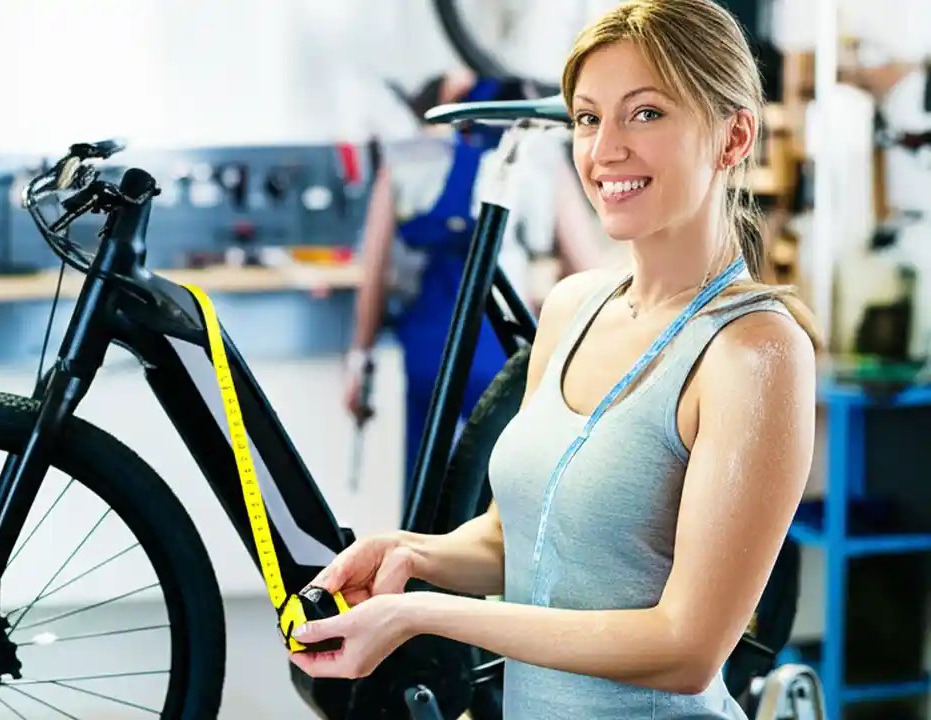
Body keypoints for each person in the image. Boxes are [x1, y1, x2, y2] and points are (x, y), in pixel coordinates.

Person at [299, 1, 821, 718]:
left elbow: (686, 648)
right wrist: (410, 554)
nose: (605, 149)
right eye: (587, 118)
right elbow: (514, 540)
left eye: (645, 114)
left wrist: (421, 613)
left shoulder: (754, 352)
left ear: (733, 137)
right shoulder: (574, 307)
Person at [344, 69, 605, 517]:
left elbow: (375, 272)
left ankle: (417, 557)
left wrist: (360, 361)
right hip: (503, 346)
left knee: (425, 490)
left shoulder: (404, 159)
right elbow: (586, 267)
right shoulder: (536, 155)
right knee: (503, 496)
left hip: (428, 352)